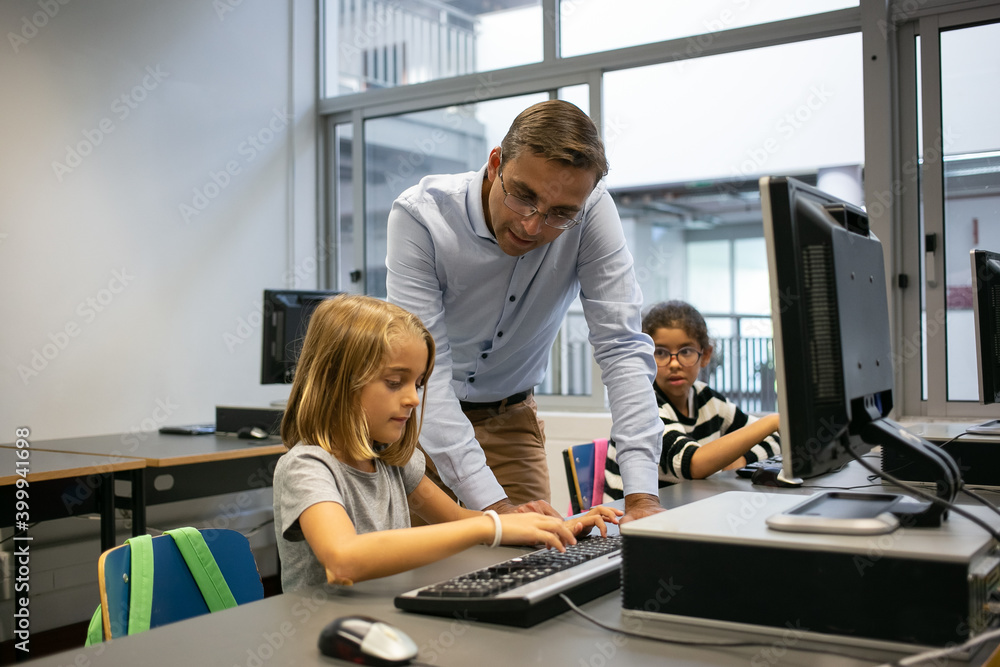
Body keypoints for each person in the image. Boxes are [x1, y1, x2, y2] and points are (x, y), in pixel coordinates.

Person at [385, 99, 664, 524]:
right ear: (495, 163)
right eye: (523, 197)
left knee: (537, 553)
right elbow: (428, 375)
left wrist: (642, 495)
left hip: (510, 421)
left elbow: (622, 347)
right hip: (418, 420)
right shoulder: (422, 216)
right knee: (424, 559)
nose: (532, 226)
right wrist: (497, 510)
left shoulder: (591, 211)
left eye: (560, 214)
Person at [272, 294, 620, 592]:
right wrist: (491, 526)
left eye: (418, 384)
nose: (413, 399)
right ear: (336, 383)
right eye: (394, 382)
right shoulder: (307, 468)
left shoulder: (391, 461)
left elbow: (457, 519)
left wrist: (550, 527)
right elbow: (343, 560)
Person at [604, 300, 781, 498]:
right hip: (629, 515)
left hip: (681, 506)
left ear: (705, 355)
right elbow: (693, 465)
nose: (674, 364)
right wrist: (772, 421)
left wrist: (742, 459)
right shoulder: (643, 406)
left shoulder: (707, 399)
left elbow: (776, 439)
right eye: (660, 352)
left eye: (686, 351)